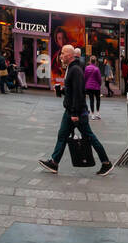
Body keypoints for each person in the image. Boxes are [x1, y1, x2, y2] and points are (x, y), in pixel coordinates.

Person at [38, 44, 113, 176]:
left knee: (90, 137)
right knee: (62, 135)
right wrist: (63, 90)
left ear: (69, 55)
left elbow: (79, 93)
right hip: (71, 111)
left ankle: (106, 163)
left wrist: (74, 113)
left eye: (62, 54)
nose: (60, 56)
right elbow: (72, 90)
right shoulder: (72, 68)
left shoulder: (76, 70)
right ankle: (54, 162)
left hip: (77, 112)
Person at [84, 54, 102, 119]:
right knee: (98, 99)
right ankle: (98, 113)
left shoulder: (86, 68)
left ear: (90, 61)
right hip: (96, 87)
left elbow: (85, 77)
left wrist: (85, 84)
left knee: (91, 100)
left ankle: (92, 114)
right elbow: (99, 79)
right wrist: (100, 84)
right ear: (95, 61)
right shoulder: (97, 69)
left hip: (89, 87)